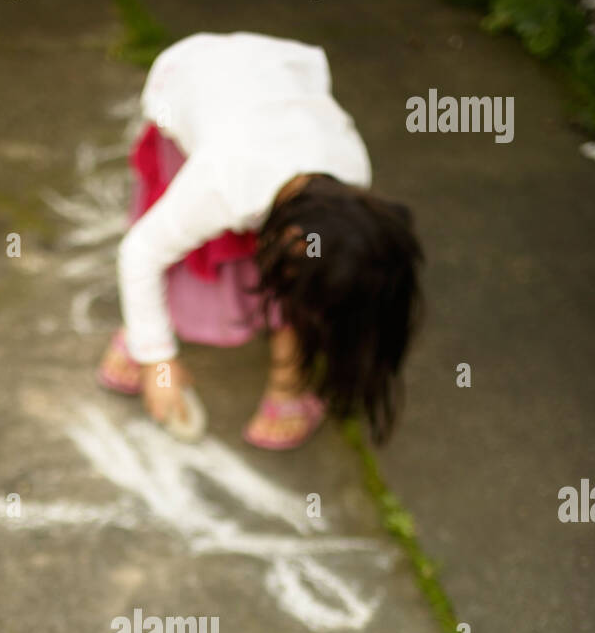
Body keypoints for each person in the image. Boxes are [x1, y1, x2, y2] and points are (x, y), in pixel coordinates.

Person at [97, 31, 423, 449]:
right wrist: (158, 361)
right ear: (290, 239)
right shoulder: (219, 185)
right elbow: (140, 254)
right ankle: (137, 342)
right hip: (191, 84)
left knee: (306, 284)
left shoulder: (351, 176)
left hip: (261, 96)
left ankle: (285, 389)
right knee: (179, 258)